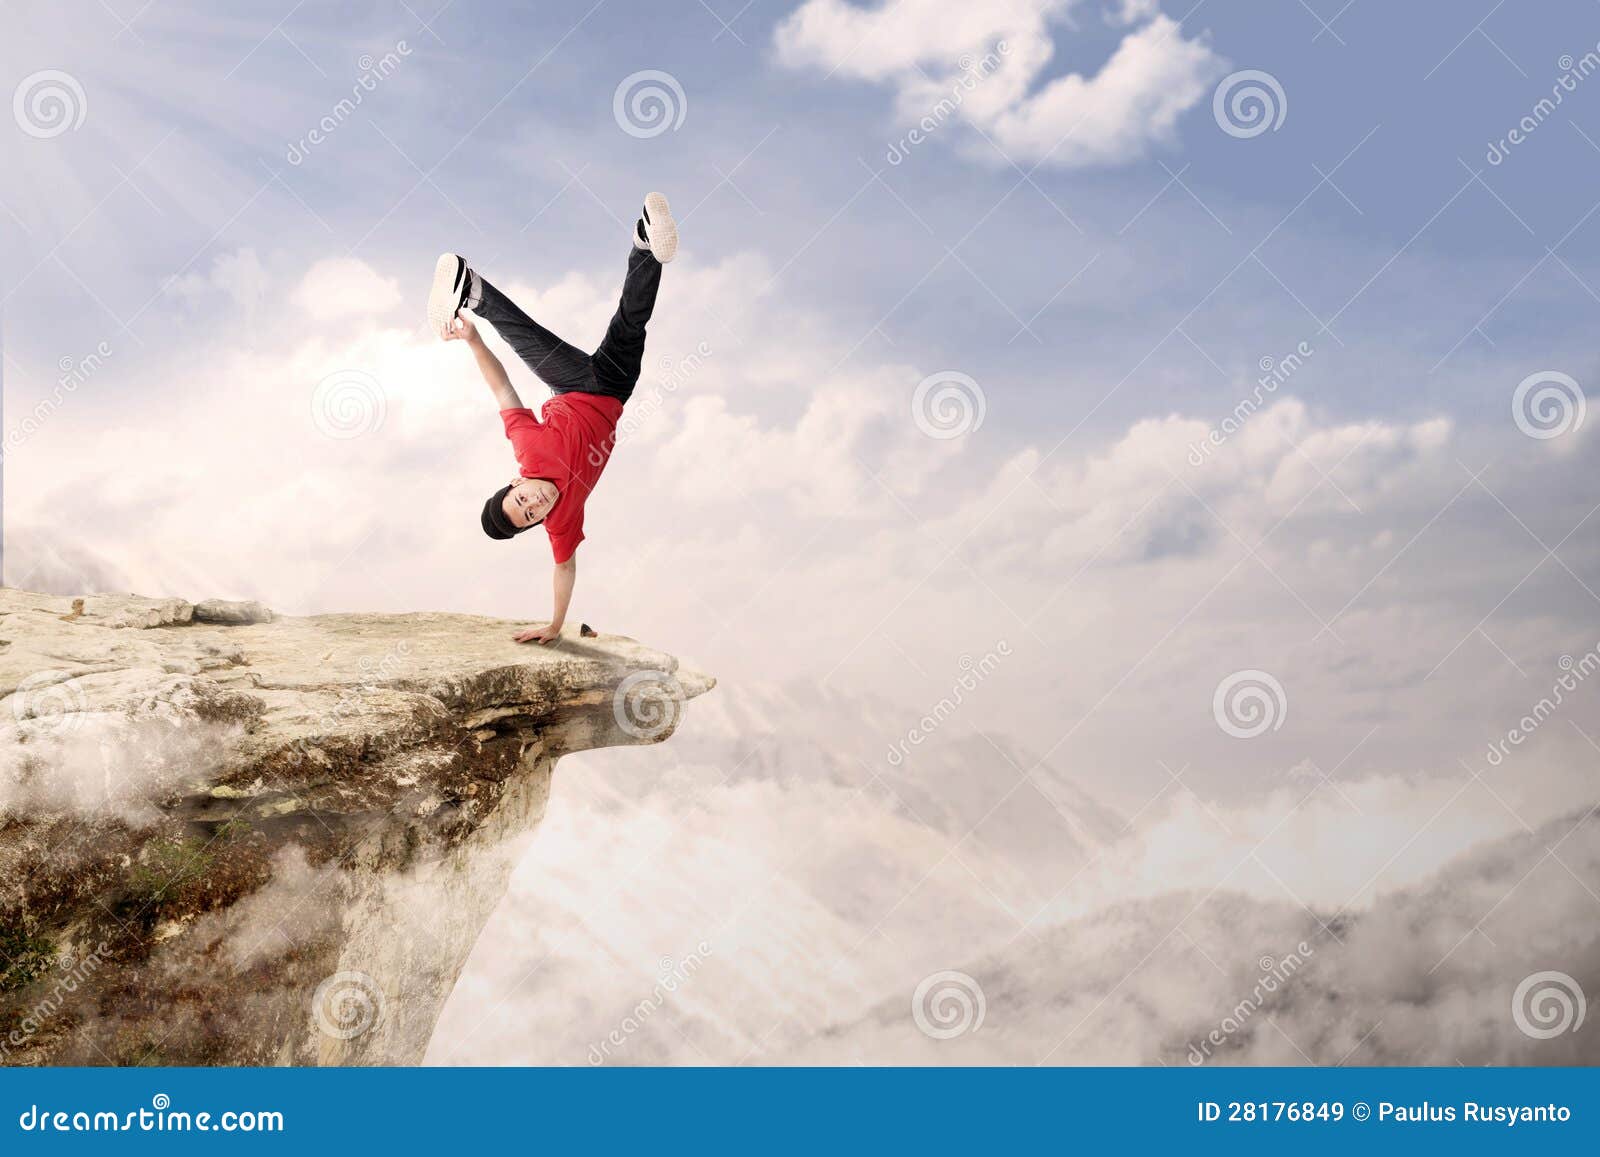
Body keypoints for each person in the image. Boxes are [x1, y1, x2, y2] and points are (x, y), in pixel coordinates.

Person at [426, 192, 677, 644]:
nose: (531, 506)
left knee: (527, 343)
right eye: (528, 517)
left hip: (575, 382)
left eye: (519, 501)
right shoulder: (563, 519)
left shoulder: (529, 450)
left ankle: (471, 289)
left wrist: (474, 343)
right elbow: (564, 568)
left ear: (516, 483)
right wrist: (556, 626)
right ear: (537, 523)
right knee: (632, 321)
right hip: (616, 389)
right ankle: (644, 242)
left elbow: (502, 388)